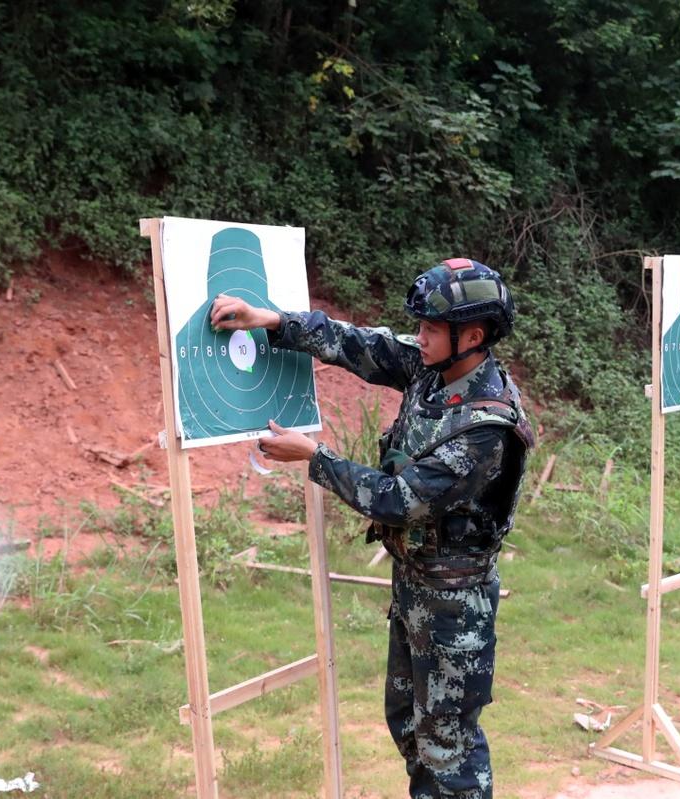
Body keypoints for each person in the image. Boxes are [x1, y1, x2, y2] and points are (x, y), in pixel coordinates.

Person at [211, 258, 534, 799]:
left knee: (448, 747)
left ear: (472, 336)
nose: (420, 337)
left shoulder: (486, 428)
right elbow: (364, 346)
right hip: (416, 587)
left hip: (454, 605)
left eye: (432, 328)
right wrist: (270, 320)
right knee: (408, 724)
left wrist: (314, 457)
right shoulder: (437, 368)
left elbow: (396, 500)